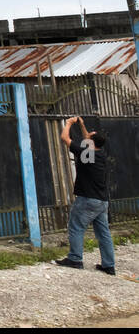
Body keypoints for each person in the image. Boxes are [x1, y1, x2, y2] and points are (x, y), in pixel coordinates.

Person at [54, 114, 114, 275]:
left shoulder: (86, 153)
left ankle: (75, 259)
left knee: (76, 226)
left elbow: (64, 138)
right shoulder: (99, 154)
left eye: (90, 135)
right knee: (103, 233)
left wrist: (68, 123)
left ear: (91, 141)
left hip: (88, 199)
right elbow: (88, 137)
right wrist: (81, 124)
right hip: (102, 201)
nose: (87, 135)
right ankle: (109, 265)